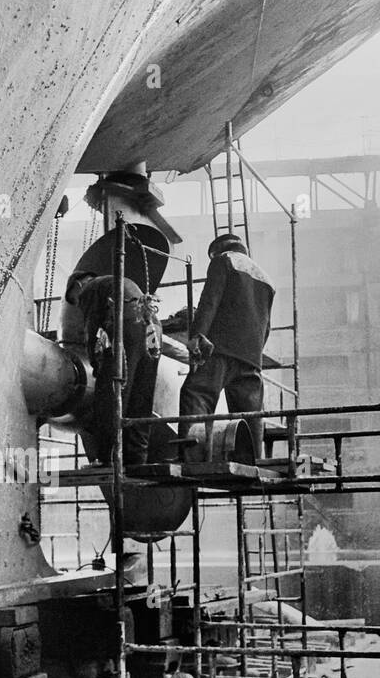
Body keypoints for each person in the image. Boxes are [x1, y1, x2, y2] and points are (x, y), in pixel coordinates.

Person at [60, 167, 178, 465]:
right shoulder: (117, 281)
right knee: (140, 399)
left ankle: (107, 458)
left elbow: (93, 330)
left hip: (125, 324)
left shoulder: (90, 288)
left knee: (109, 395)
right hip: (153, 328)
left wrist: (98, 364)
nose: (74, 301)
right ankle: (136, 458)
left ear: (77, 285)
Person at [178, 232, 274, 459]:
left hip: (220, 349)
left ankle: (193, 454)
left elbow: (210, 300)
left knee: (196, 393)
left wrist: (197, 335)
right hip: (251, 357)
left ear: (216, 252)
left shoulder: (224, 261)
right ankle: (251, 459)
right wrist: (253, 352)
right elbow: (266, 326)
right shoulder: (266, 279)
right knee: (249, 411)